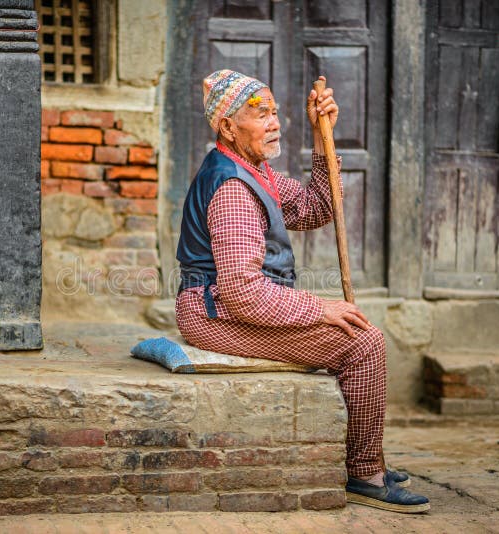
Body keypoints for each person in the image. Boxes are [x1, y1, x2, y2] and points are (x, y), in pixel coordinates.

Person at [175, 69, 430, 513]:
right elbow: (243, 293)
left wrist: (321, 135)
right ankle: (364, 472)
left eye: (275, 112)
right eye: (259, 114)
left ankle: (365, 460)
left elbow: (317, 205)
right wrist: (320, 309)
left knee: (358, 336)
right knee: (363, 343)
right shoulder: (234, 186)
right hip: (215, 312)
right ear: (228, 127)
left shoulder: (258, 171)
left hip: (233, 306)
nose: (274, 121)